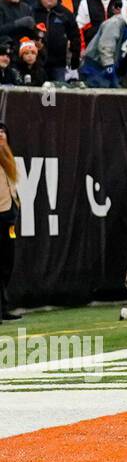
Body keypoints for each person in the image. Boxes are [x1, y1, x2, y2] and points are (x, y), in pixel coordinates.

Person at [80, 0, 127, 88]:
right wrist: (109, 67)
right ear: (125, 11)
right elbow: (105, 46)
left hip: (111, 69)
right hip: (95, 66)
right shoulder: (115, 23)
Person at [0, 122, 19, 320]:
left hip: (8, 217)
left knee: (7, 263)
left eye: (4, 131)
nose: (1, 134)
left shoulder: (8, 158)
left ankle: (3, 307)